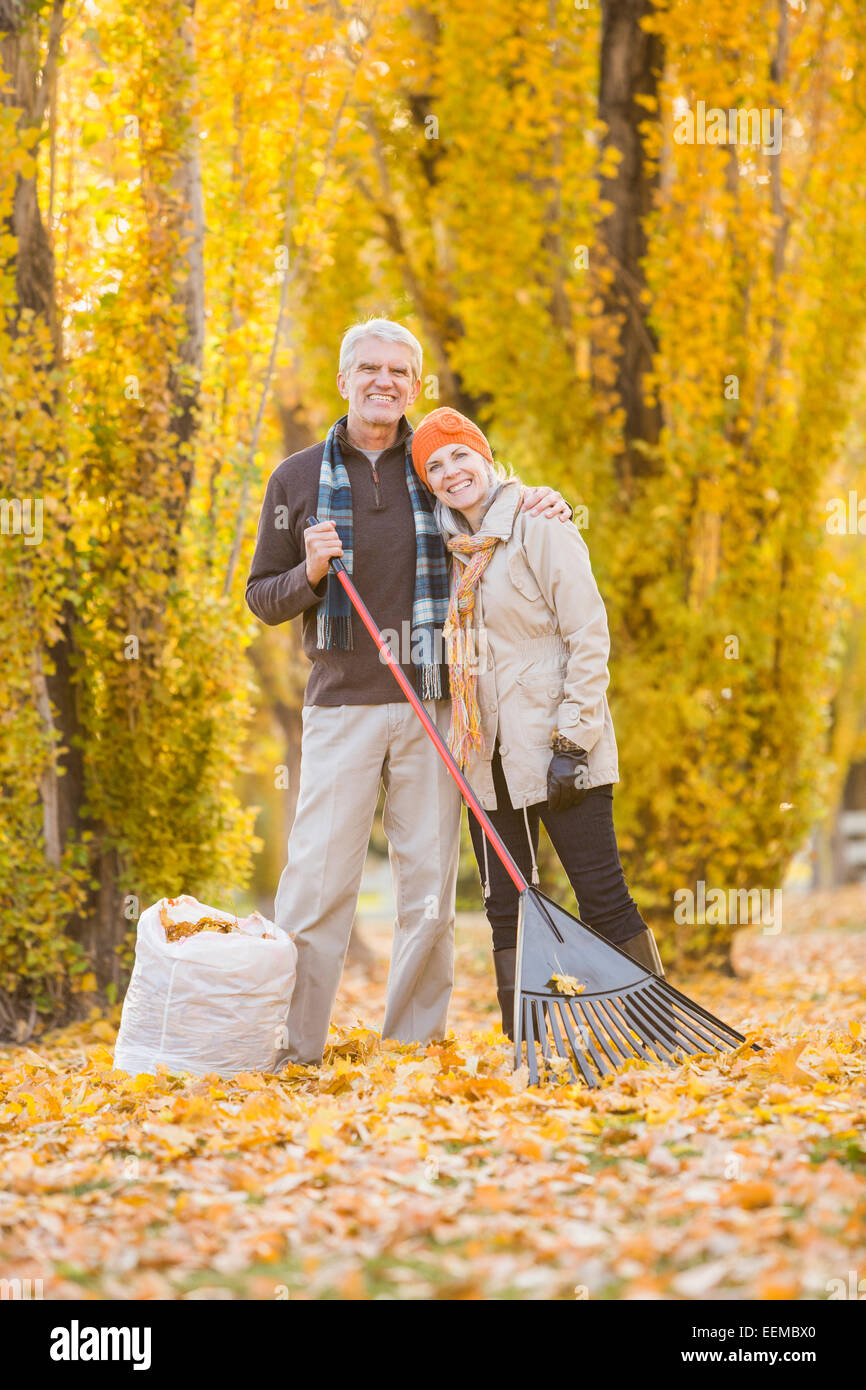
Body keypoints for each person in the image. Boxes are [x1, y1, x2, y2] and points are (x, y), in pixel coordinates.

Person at [245, 319, 571, 1066]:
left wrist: (544, 501)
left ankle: (414, 1048)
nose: (383, 381)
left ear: (415, 385)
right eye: (369, 368)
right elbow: (263, 597)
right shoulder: (295, 479)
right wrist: (312, 573)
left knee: (427, 889)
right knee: (316, 888)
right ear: (344, 379)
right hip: (340, 705)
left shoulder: (435, 464)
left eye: (399, 371)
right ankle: (294, 1048)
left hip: (435, 702)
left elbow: (501, 505)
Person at [410, 406, 664, 1041]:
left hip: (558, 748)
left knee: (602, 895)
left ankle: (654, 1031)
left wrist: (572, 744)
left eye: (459, 456)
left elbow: (588, 635)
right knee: (507, 908)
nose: (450, 472)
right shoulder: (447, 553)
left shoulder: (540, 526)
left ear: (485, 456)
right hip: (484, 756)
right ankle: (531, 1040)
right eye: (434, 467)